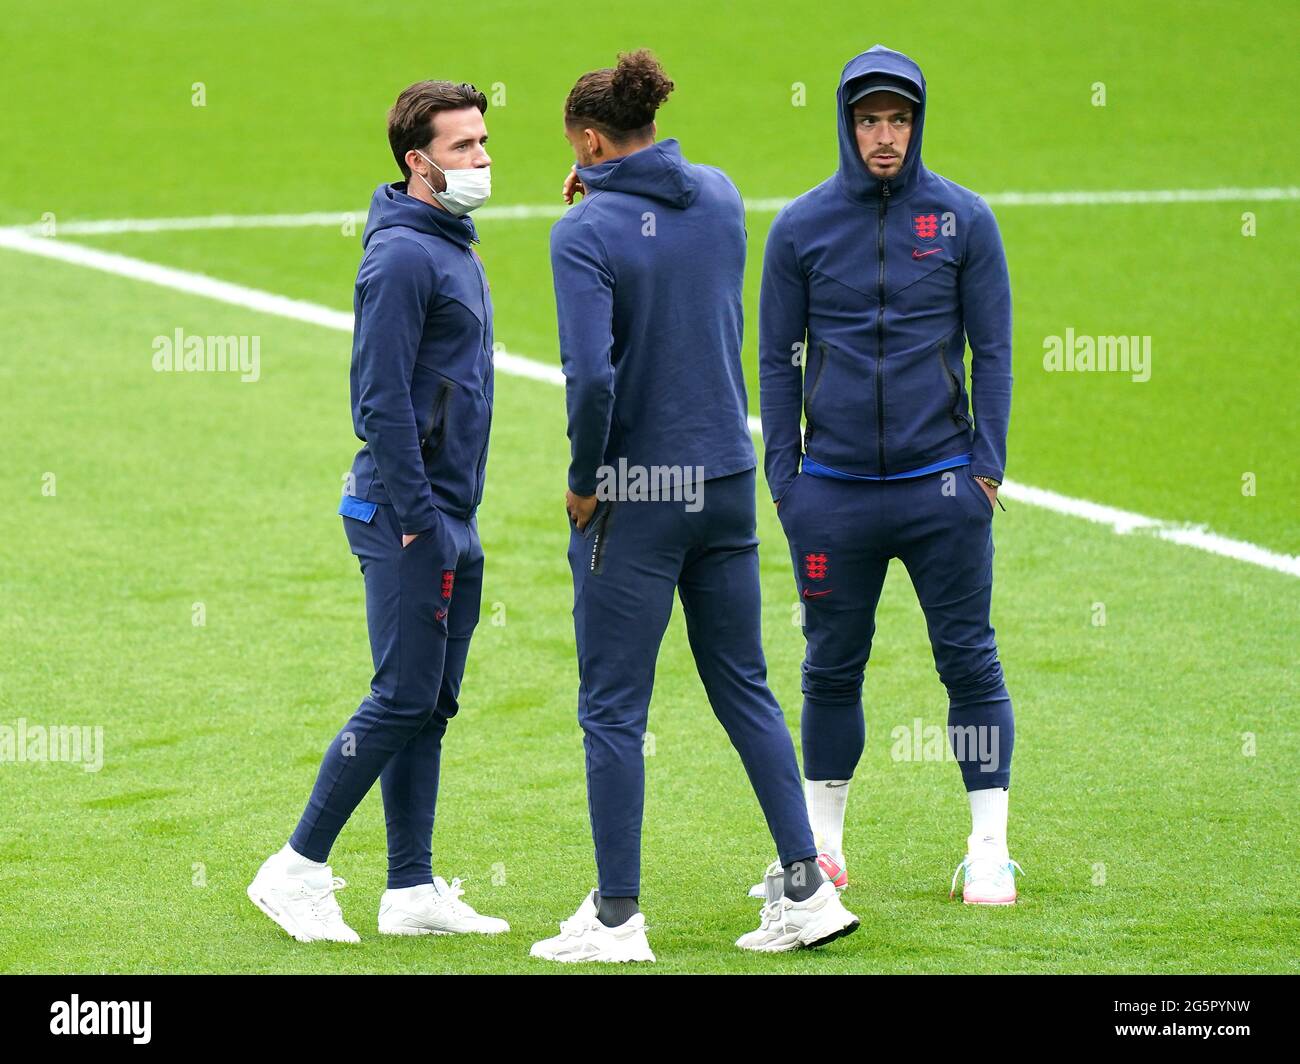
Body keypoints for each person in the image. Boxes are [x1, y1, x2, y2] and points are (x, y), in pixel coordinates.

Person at [530, 50, 860, 963]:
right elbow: (666, 244)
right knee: (743, 685)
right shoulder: (717, 195)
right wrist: (607, 190)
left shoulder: (583, 235)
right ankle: (803, 888)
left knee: (613, 711)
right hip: (723, 481)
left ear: (589, 140)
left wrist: (586, 477)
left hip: (638, 492)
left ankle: (616, 918)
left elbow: (592, 376)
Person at [758, 45, 1022, 904]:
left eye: (898, 119)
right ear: (846, 124)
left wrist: (987, 466)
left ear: (917, 123)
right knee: (830, 667)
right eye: (869, 119)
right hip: (830, 494)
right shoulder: (799, 227)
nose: (885, 135)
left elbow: (995, 350)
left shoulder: (964, 220)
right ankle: (824, 852)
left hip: (943, 486)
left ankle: (988, 850)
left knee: (970, 664)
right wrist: (786, 482)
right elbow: (774, 360)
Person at [247, 80, 507, 942]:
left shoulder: (447, 239)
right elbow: (379, 399)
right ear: (418, 161)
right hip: (408, 514)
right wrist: (417, 515)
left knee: (431, 703)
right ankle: (296, 868)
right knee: (400, 696)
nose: (482, 159)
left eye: (483, 141)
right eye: (464, 147)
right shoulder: (402, 256)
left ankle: (411, 889)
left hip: (450, 511)